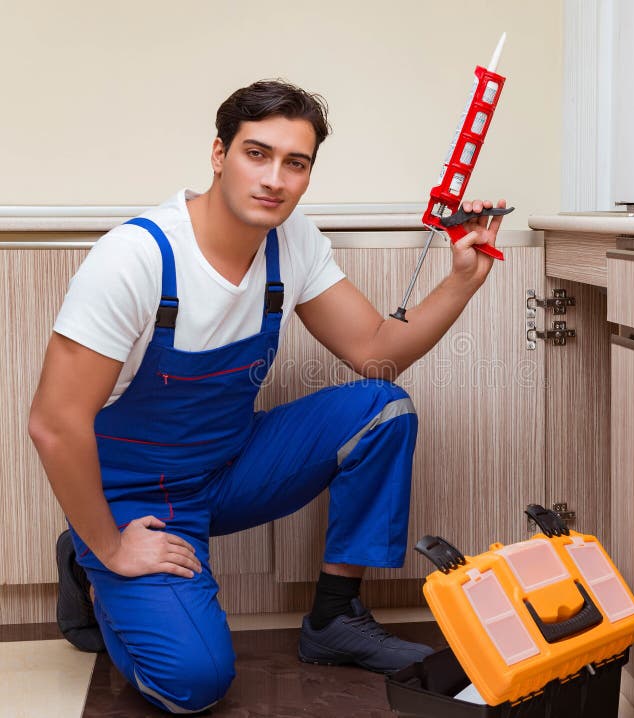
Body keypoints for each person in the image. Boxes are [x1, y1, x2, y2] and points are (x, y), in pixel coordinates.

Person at [28, 79, 506, 714]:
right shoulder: (137, 258)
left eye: (296, 162)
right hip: (137, 500)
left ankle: (335, 619)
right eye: (258, 153)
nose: (274, 178)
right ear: (219, 154)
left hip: (230, 465)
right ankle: (92, 566)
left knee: (381, 407)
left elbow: (374, 353)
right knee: (194, 684)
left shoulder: (292, 242)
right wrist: (113, 545)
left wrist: (462, 282)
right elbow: (54, 425)